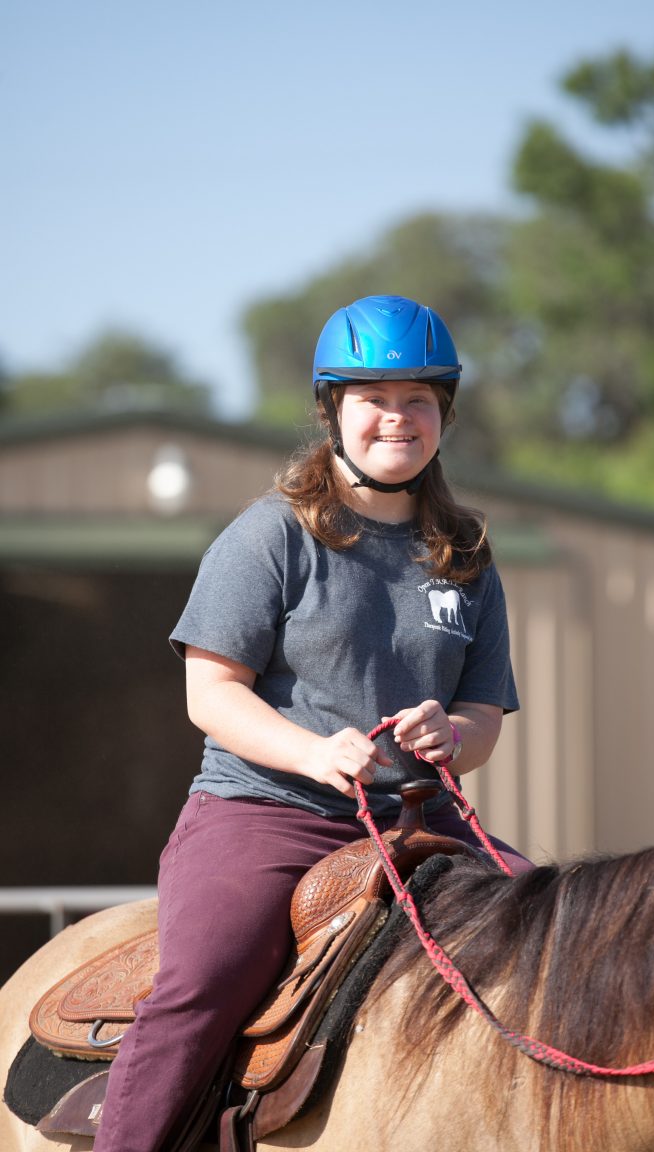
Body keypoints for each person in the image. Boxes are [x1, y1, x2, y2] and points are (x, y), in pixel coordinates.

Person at [93, 294, 531, 1152]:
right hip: (267, 813)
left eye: (418, 401)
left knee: (557, 937)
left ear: (443, 412)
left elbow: (483, 716)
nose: (396, 418)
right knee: (203, 984)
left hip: (422, 819)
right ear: (334, 409)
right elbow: (209, 692)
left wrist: (456, 734)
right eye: (374, 399)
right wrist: (312, 751)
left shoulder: (467, 552)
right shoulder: (270, 538)